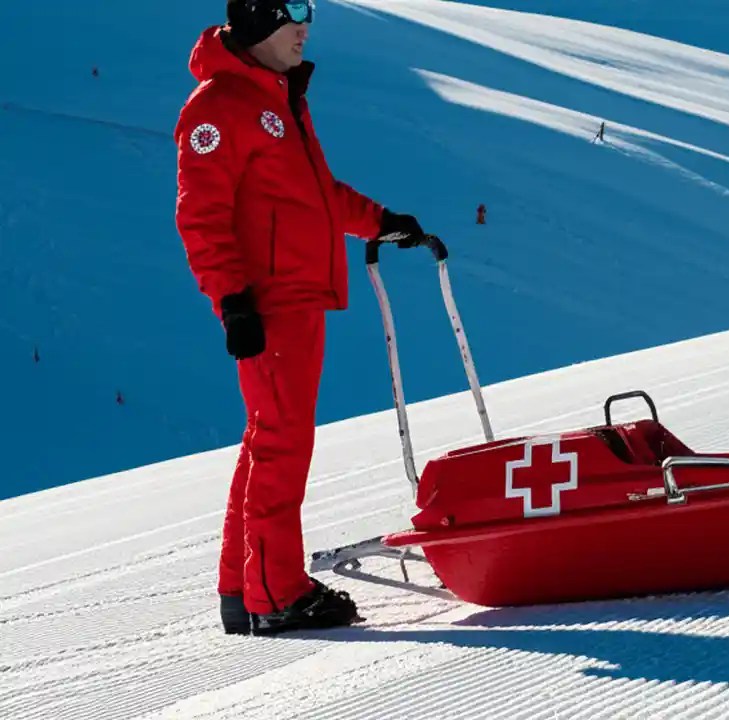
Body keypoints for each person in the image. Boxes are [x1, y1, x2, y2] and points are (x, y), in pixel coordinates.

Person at [173, 0, 448, 636]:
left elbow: (314, 196)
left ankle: (246, 588)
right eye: (292, 14)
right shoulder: (216, 108)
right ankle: (277, 594)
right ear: (256, 22)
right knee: (282, 442)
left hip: (296, 295)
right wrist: (233, 301)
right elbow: (200, 217)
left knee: (267, 440)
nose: (306, 27)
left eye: (310, 12)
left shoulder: (278, 100)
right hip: (269, 302)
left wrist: (380, 221)